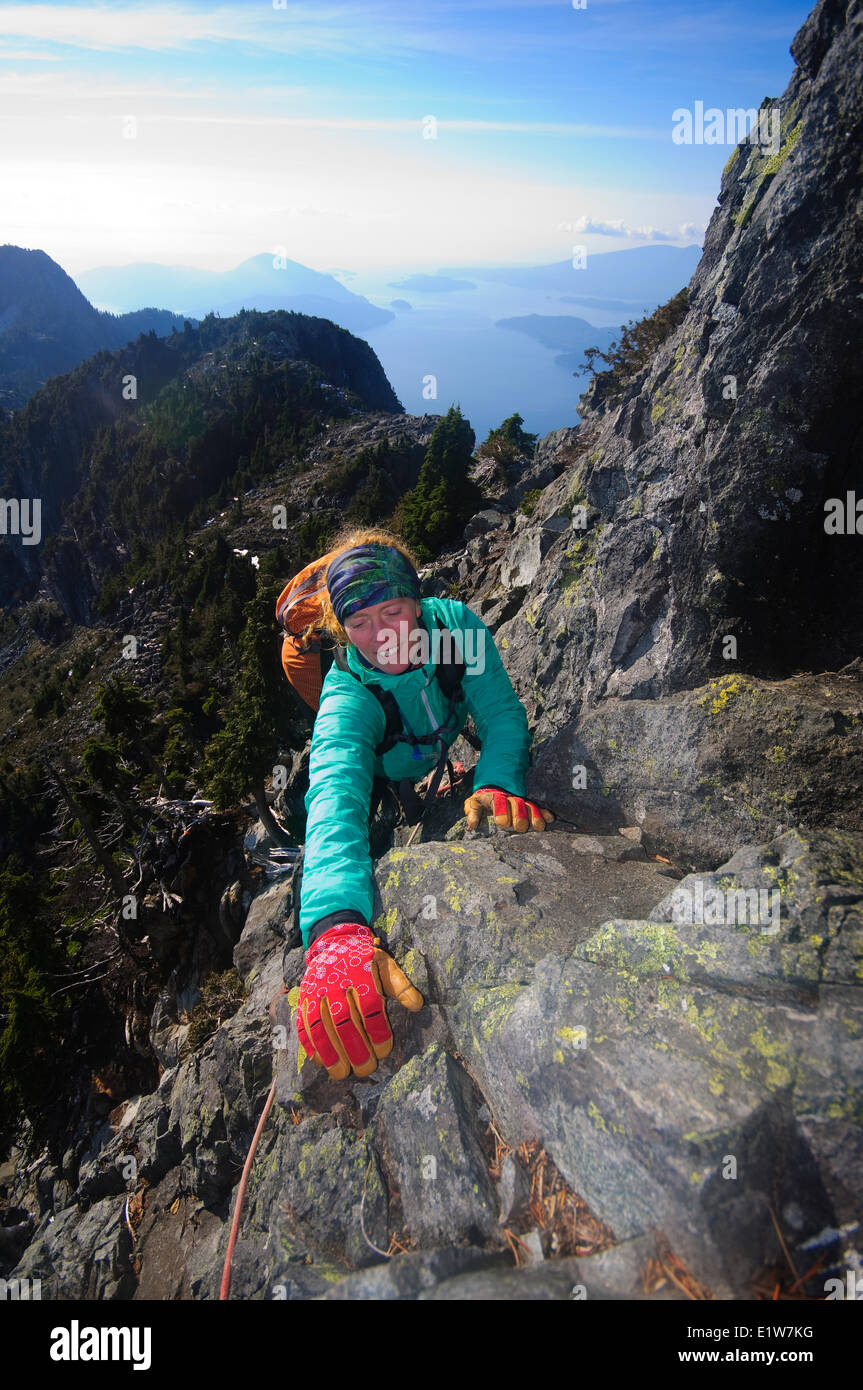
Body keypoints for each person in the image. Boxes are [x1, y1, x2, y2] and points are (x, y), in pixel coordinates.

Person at [294, 527, 554, 1082]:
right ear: (341, 630)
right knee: (394, 799)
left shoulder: (455, 628)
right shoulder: (347, 695)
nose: (381, 637)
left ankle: (439, 789)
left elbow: (501, 714)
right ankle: (413, 804)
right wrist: (334, 927)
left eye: (392, 611)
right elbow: (335, 799)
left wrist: (500, 781)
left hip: (441, 734)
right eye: (359, 623)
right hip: (394, 765)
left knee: (444, 778)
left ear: (417, 601)